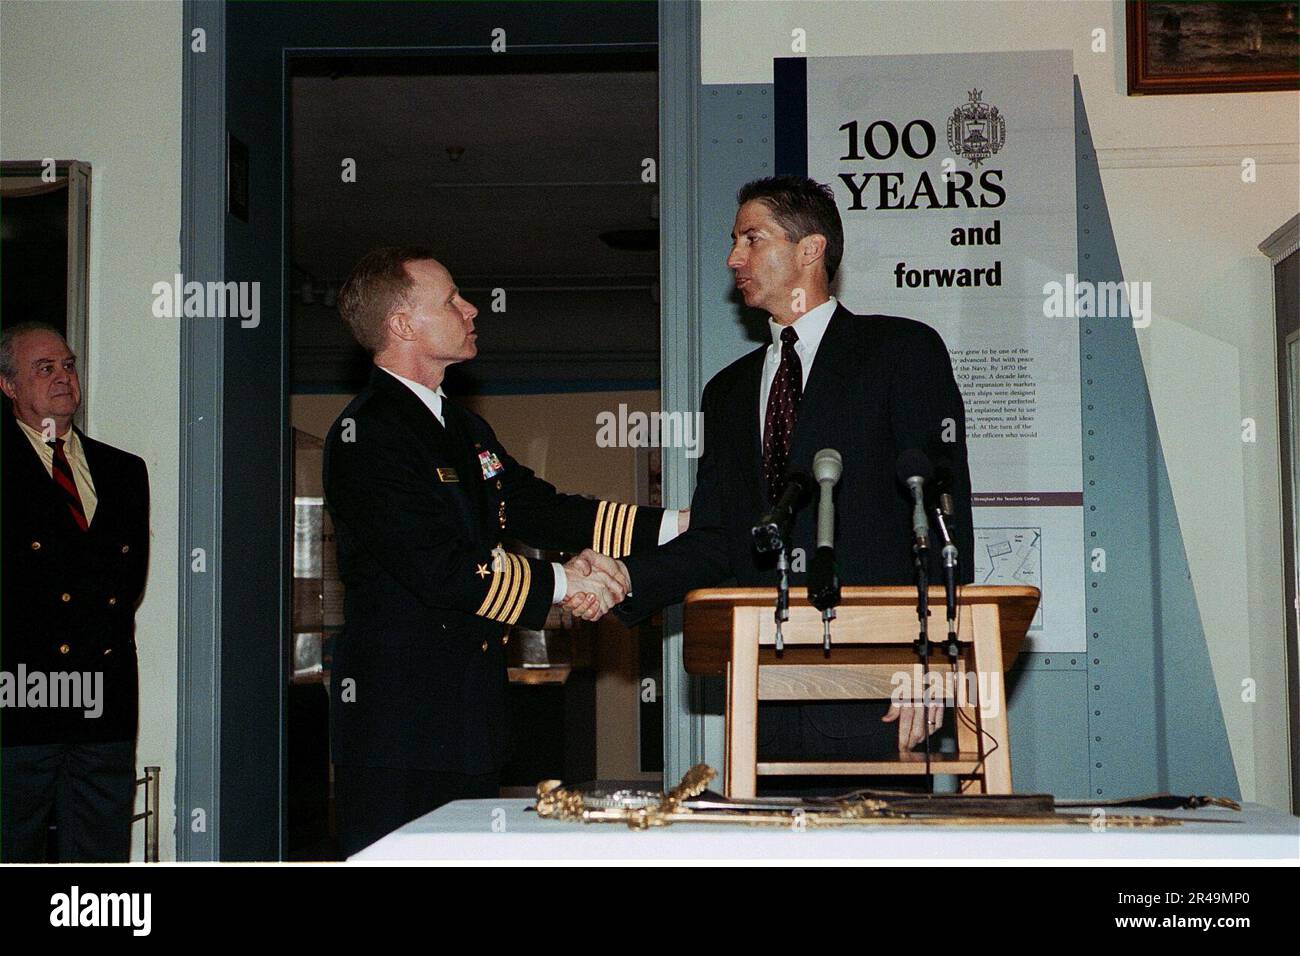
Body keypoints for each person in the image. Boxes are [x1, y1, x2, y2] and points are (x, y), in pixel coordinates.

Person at [323, 246, 682, 856]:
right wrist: (569, 584)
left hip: (467, 718)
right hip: (399, 729)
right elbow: (441, 570)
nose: (471, 309)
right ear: (402, 326)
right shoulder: (369, 435)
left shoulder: (462, 429)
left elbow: (538, 509)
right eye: (451, 300)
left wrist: (680, 527)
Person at [615, 176, 975, 770]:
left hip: (878, 685)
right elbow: (717, 538)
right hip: (766, 694)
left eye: (751, 239)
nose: (734, 257)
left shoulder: (900, 351)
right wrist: (627, 579)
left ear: (811, 249)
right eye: (734, 241)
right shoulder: (727, 392)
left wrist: (934, 654)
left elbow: (942, 513)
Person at [0, 322, 149, 861]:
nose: (63, 376)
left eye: (68, 365)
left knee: (100, 864)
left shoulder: (124, 471)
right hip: (19, 703)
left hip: (103, 705)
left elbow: (124, 588)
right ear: (8, 386)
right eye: (44, 368)